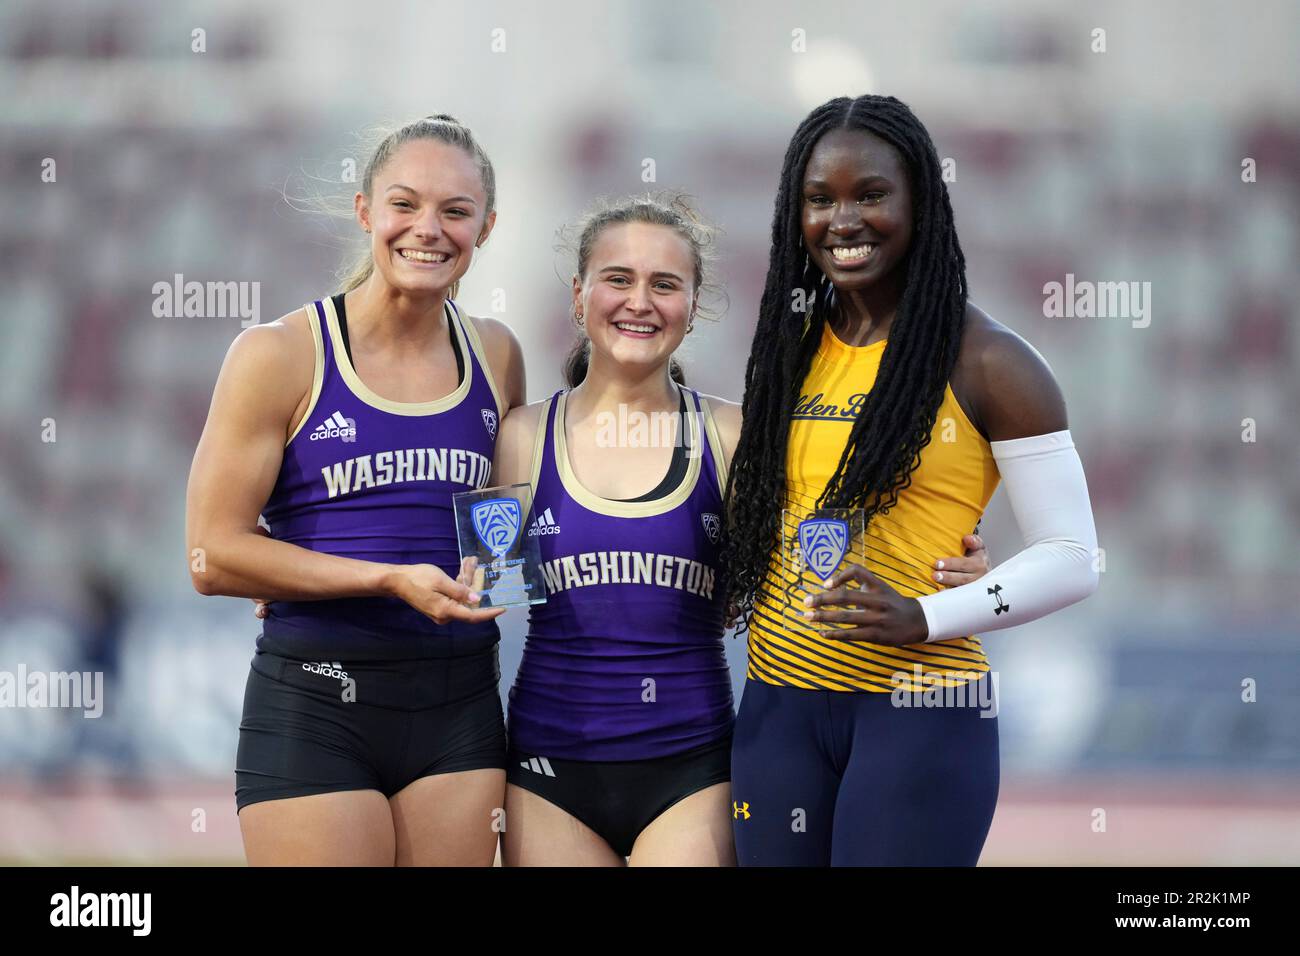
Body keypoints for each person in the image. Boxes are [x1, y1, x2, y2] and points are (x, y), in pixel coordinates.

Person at [490, 195, 992, 865]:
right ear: (579, 295)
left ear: (693, 307)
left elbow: (824, 540)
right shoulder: (522, 436)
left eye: (665, 284)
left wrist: (958, 568)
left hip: (690, 774)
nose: (640, 301)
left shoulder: (732, 435)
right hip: (546, 774)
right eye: (618, 279)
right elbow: (485, 591)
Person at [722, 95, 1100, 866]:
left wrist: (928, 613)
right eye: (820, 199)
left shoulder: (994, 363)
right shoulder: (788, 346)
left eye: (871, 195)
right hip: (777, 713)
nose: (843, 220)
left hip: (922, 711)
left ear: (921, 202)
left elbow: (1072, 556)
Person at [187, 115, 525, 866]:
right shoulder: (278, 353)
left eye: (456, 212)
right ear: (366, 211)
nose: (428, 230)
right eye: (404, 204)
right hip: (315, 702)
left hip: (459, 703)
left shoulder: (497, 354)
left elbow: (497, 543)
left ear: (487, 226)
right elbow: (211, 557)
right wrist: (375, 577)